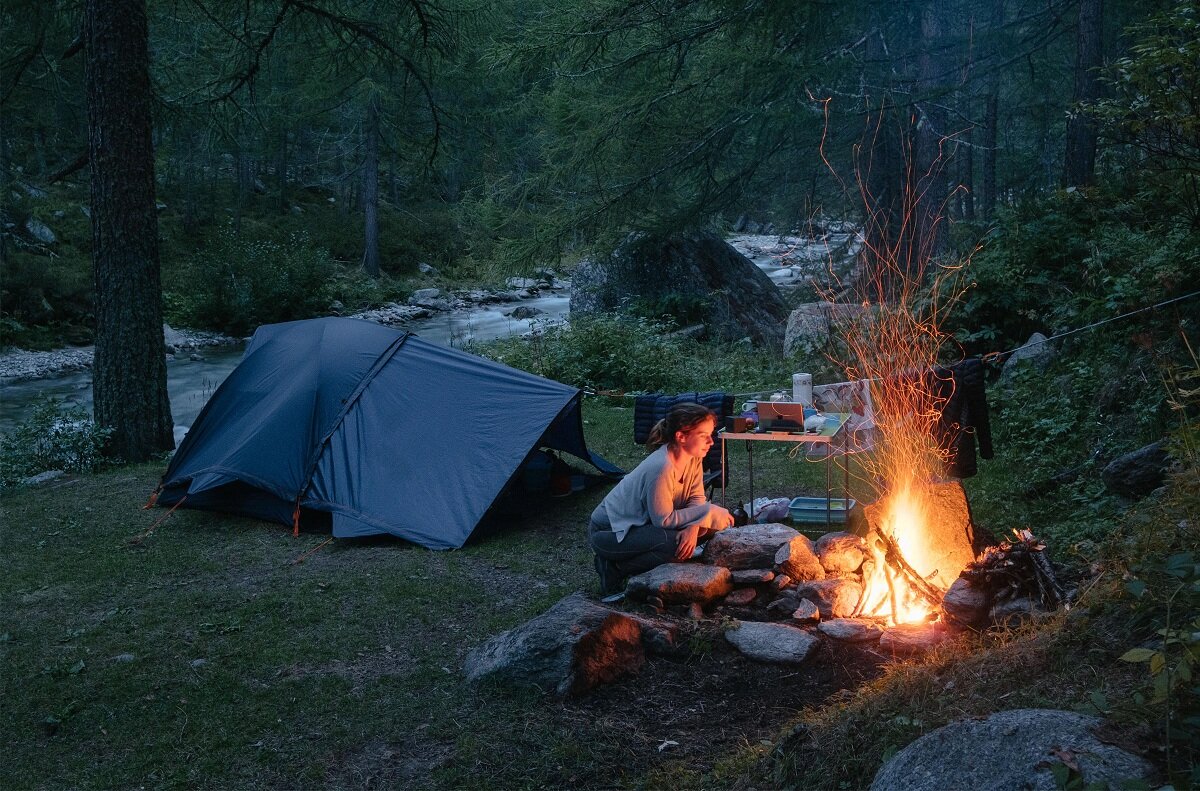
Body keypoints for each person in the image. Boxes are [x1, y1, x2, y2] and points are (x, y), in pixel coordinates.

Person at [589, 403, 735, 594]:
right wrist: (706, 512)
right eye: (703, 436)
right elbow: (663, 519)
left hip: (643, 526)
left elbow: (696, 496)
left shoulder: (693, 457)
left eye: (711, 434)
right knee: (675, 544)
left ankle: (634, 565)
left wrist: (693, 526)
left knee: (702, 532)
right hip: (610, 533)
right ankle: (614, 568)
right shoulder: (662, 467)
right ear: (681, 436)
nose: (711, 441)